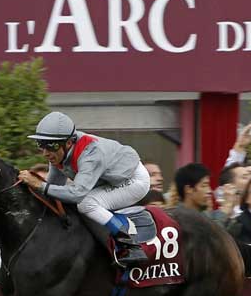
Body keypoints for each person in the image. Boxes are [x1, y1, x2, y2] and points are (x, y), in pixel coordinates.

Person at [17, 112, 151, 266]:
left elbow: (77, 194)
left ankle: (130, 245)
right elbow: (53, 189)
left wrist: (39, 184)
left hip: (133, 180)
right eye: (41, 144)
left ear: (68, 143)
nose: (46, 152)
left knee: (86, 203)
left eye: (51, 146)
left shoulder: (90, 154)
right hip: (111, 180)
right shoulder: (60, 153)